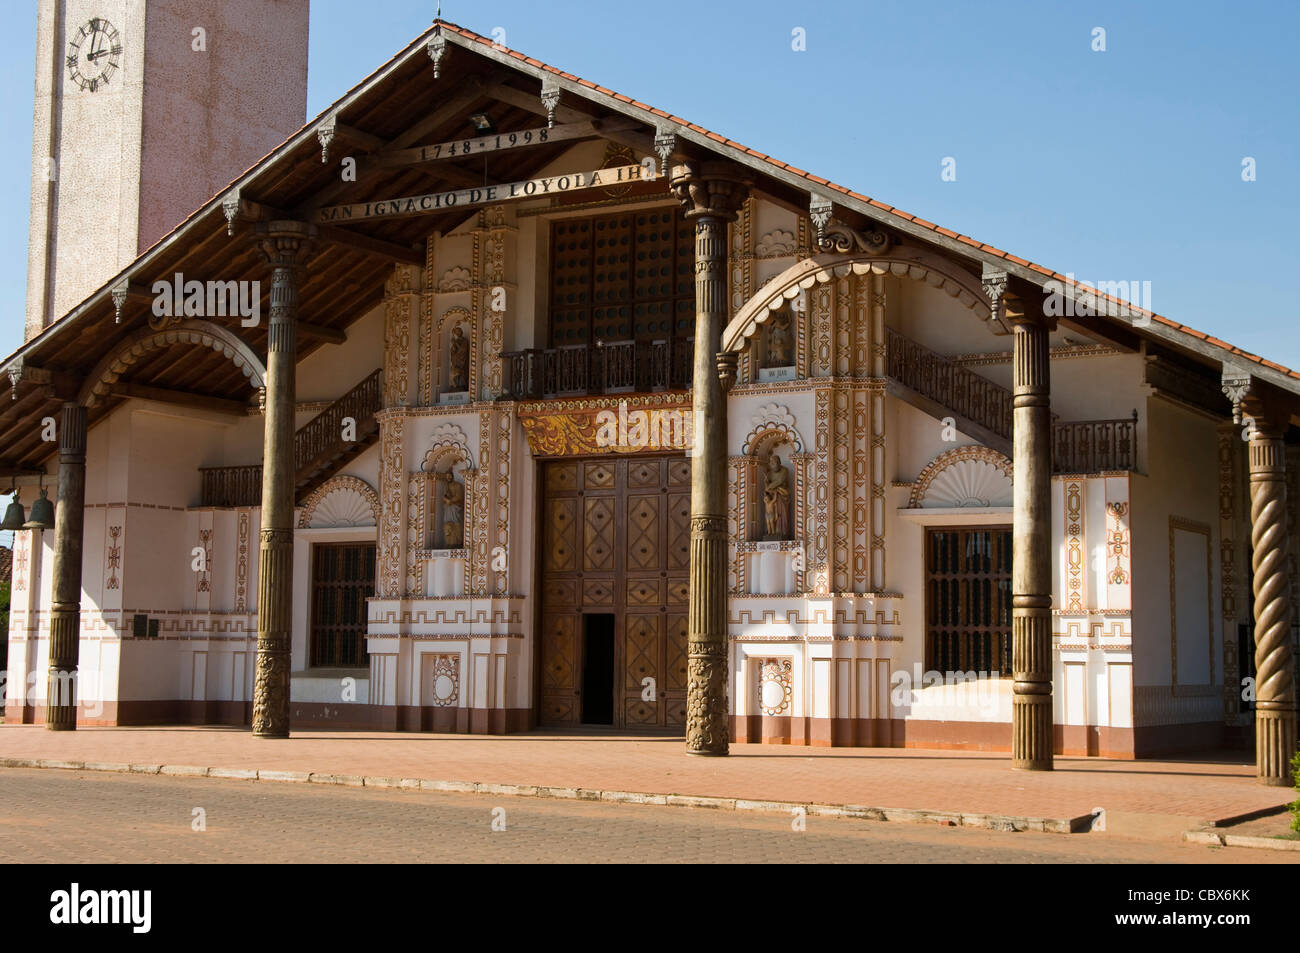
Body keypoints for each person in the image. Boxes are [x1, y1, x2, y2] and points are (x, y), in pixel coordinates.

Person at [763, 453, 791, 539]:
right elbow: (766, 487)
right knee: (771, 517)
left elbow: (779, 481)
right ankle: (772, 532)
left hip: (782, 496)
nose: (773, 465)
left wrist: (770, 487)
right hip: (772, 498)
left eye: (774, 462)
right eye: (771, 463)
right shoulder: (769, 474)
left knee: (782, 514)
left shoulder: (784, 470)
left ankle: (782, 531)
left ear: (779, 463)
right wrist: (766, 482)